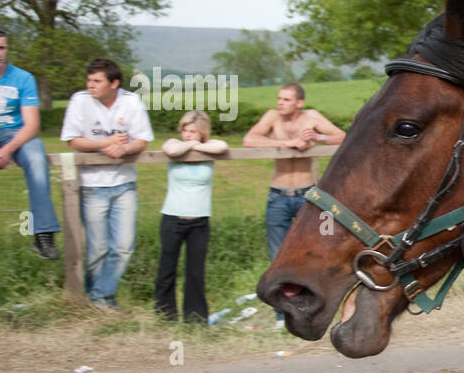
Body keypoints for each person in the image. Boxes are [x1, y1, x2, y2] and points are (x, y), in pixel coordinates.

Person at [243, 84, 345, 322]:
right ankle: (282, 316)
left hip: (308, 195)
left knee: (318, 250)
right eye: (279, 98)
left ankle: (315, 308)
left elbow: (342, 137)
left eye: (286, 99)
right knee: (278, 255)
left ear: (299, 102)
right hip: (277, 195)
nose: (280, 103)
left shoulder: (311, 117)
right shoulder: (272, 117)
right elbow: (249, 139)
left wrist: (317, 137)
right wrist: (286, 144)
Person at [61, 59, 153, 310]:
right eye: (89, 80)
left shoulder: (131, 102)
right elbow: (73, 140)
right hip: (92, 185)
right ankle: (100, 299)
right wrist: (105, 143)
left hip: (124, 183)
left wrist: (124, 148)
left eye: (96, 81)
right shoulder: (79, 101)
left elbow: (142, 139)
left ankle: (100, 297)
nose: (90, 85)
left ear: (114, 83)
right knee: (98, 249)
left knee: (123, 247)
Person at [0, 26, 61, 259]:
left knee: (36, 157)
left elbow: (32, 125)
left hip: (15, 134)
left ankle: (43, 234)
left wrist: (7, 150)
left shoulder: (23, 78)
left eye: (2, 47)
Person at [155, 110, 228, 322]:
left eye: (193, 131)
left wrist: (197, 145)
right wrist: (192, 144)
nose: (187, 134)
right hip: (172, 218)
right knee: (167, 268)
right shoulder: (175, 143)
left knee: (195, 271)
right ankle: (165, 315)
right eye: (185, 130)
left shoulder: (209, 148)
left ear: (202, 131)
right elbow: (171, 150)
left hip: (199, 221)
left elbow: (222, 146)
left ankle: (195, 317)